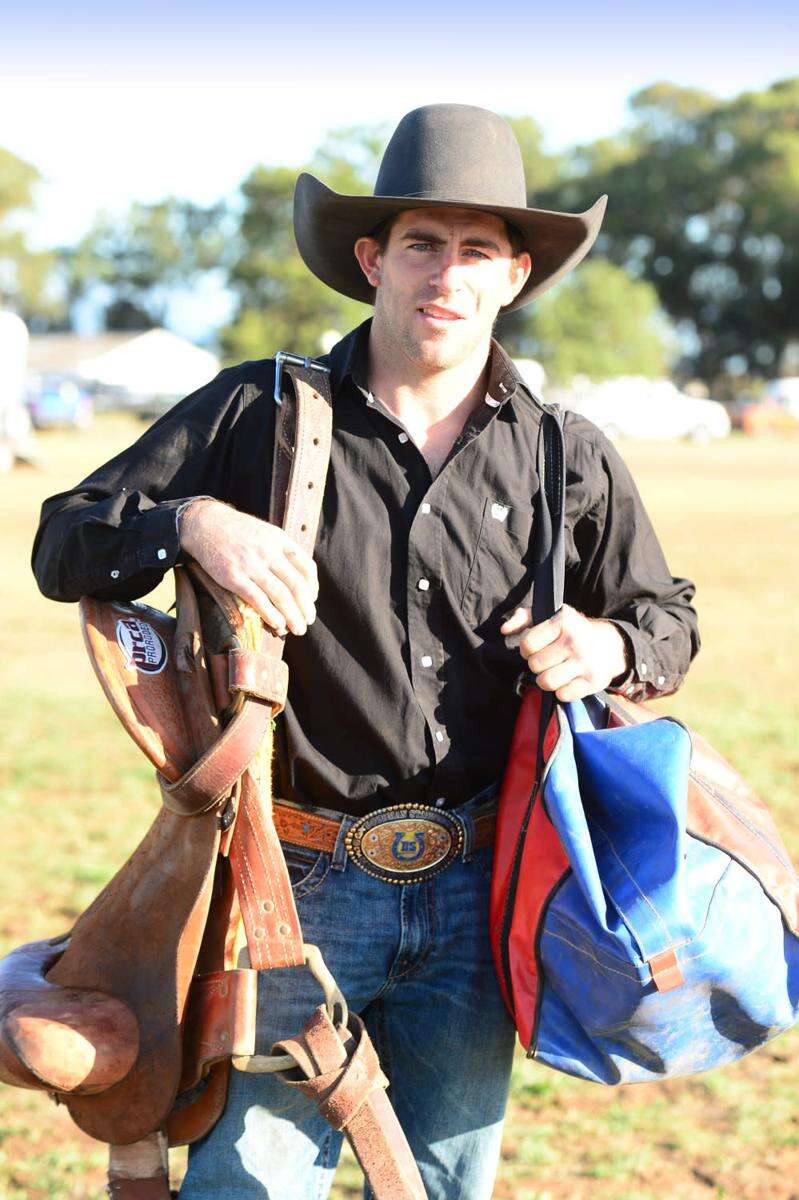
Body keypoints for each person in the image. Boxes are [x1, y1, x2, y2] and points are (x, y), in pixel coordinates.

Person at [32, 104, 699, 1200]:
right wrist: (192, 522)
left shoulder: (561, 451)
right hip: (292, 882)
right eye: (422, 243)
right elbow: (64, 541)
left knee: (442, 1185)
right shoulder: (259, 410)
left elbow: (666, 620)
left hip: (484, 883)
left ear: (513, 276)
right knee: (247, 1187)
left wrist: (607, 640)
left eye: (477, 249)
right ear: (371, 260)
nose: (447, 273)